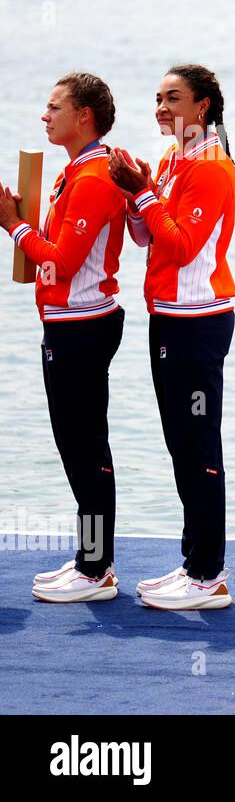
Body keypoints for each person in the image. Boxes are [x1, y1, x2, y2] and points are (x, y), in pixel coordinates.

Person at [107, 64, 235, 611]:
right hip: (168, 315)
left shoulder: (210, 167)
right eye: (158, 98)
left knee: (198, 443)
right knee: (181, 442)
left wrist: (143, 195)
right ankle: (193, 563)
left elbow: (183, 246)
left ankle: (208, 574)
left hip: (197, 321)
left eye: (174, 98)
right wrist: (132, 192)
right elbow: (148, 237)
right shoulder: (170, 159)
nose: (161, 107)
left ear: (202, 106)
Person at [1, 74, 126, 602]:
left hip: (82, 325)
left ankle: (95, 569)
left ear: (84, 117)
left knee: (84, 448)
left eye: (54, 107)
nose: (44, 116)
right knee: (78, 445)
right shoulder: (77, 170)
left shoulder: (94, 177)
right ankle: (92, 561)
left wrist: (13, 226)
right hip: (72, 323)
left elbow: (63, 262)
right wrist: (25, 221)